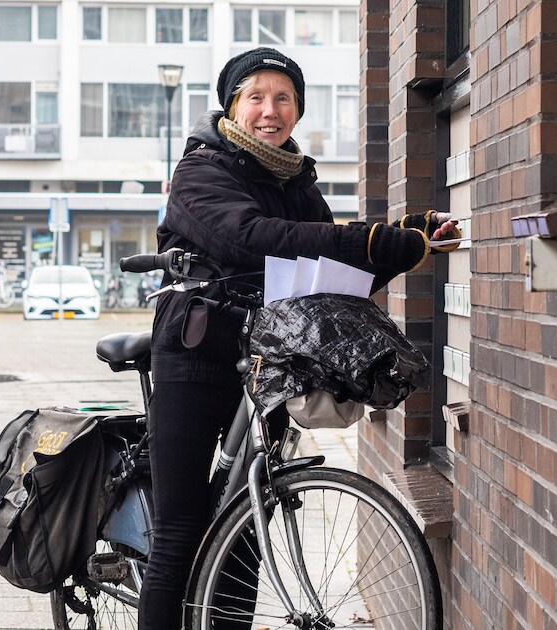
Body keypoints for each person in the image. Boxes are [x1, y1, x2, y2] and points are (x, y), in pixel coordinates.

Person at [141, 47, 459, 629]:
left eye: (283, 98)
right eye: (256, 96)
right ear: (233, 105)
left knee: (246, 524)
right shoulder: (200, 171)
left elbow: (331, 274)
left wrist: (407, 241)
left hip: (269, 361)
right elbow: (252, 239)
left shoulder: (298, 184)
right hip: (197, 353)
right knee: (180, 531)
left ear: (298, 109)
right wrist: (370, 239)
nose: (270, 110)